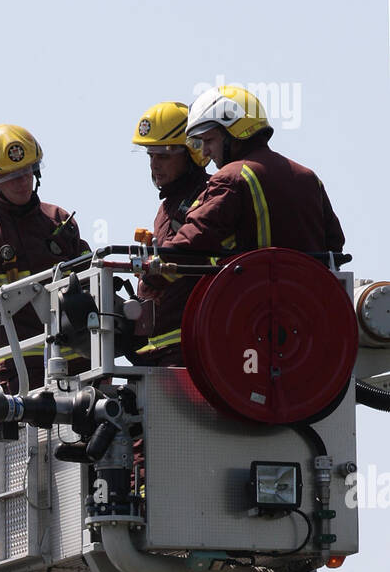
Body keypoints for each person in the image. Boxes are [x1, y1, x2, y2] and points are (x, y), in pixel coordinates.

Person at [0, 124, 90, 393]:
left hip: (83, 362)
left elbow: (89, 274)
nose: (22, 182)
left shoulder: (59, 220)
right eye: (11, 177)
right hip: (21, 367)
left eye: (26, 172)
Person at [164, 85, 345, 257]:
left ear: (233, 134)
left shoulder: (231, 178)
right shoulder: (308, 177)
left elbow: (197, 237)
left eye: (209, 140)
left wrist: (158, 261)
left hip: (256, 280)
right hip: (310, 280)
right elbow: (335, 242)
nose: (205, 152)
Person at [130, 101, 209, 365]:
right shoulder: (166, 208)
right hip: (160, 350)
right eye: (150, 156)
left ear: (192, 152)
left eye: (163, 156)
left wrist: (154, 275)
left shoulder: (209, 196)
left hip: (191, 347)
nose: (155, 165)